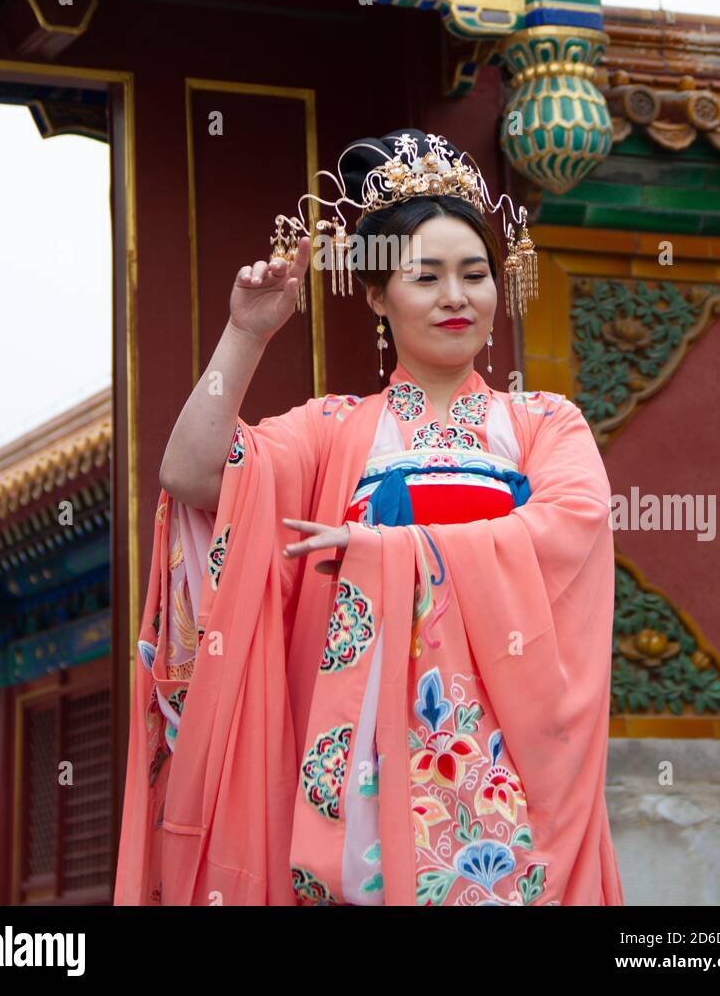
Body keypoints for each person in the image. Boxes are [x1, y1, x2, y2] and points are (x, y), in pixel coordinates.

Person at [114, 129, 623, 907]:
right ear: (379, 295)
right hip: (359, 766)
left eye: (476, 274)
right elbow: (189, 471)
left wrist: (385, 549)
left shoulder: (544, 425)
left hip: (504, 771)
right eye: (427, 277)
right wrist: (246, 334)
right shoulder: (334, 430)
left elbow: (567, 534)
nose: (457, 296)